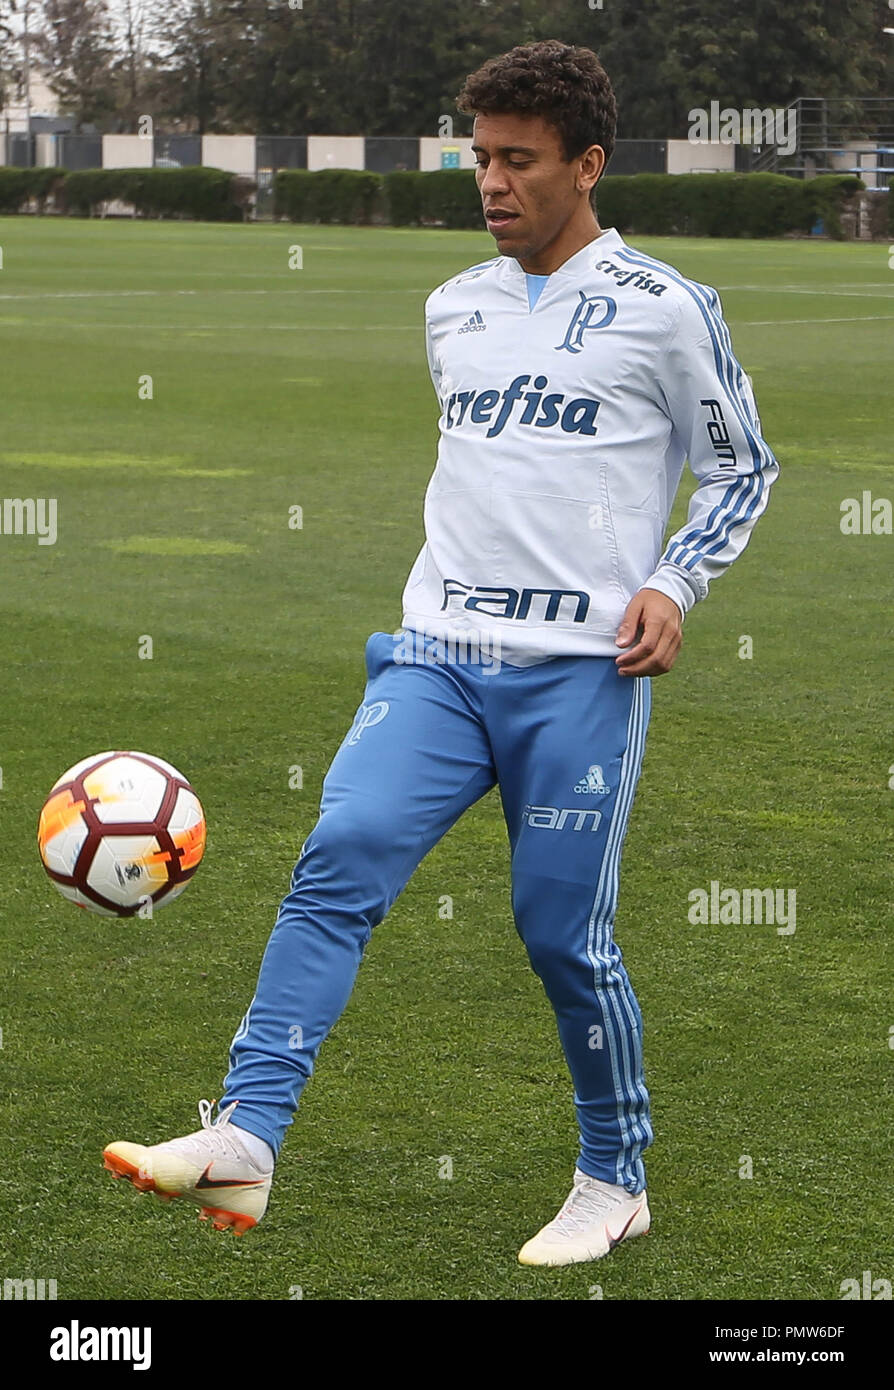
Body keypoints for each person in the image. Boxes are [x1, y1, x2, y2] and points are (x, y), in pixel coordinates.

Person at [103, 39, 778, 1267]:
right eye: (481, 158)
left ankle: (612, 1176)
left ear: (587, 164)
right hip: (435, 656)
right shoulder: (453, 306)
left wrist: (675, 582)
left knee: (557, 930)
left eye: (520, 160)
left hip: (582, 674)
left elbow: (744, 465)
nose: (492, 181)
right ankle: (248, 1136)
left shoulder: (667, 310)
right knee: (340, 853)